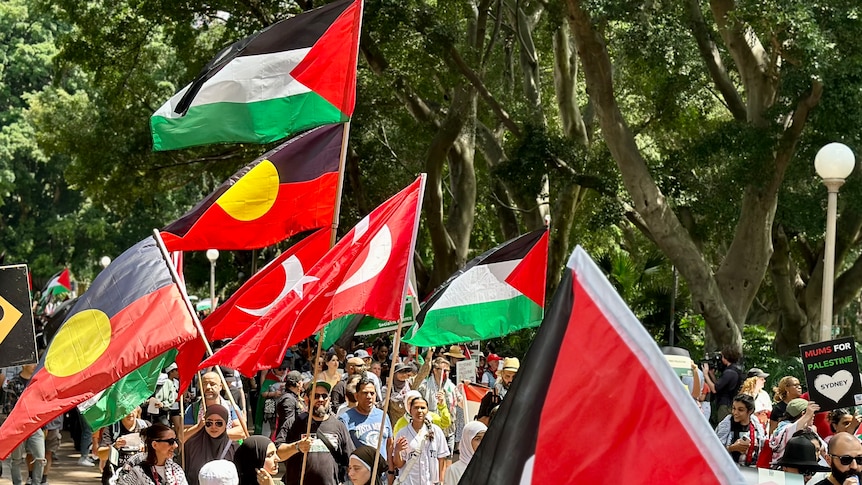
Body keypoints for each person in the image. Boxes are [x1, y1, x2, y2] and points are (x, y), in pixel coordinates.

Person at [275, 381, 354, 485]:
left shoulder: (339, 426)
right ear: (307, 399)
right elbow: (278, 454)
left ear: (329, 399)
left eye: (324, 396)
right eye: (316, 396)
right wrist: (297, 447)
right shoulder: (293, 423)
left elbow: (351, 459)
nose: (320, 400)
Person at [392, 397, 450, 485]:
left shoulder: (436, 431)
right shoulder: (403, 433)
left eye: (423, 408)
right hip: (409, 482)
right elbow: (399, 464)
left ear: (427, 410)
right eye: (416, 407)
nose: (419, 411)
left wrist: (441, 481)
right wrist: (397, 450)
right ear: (410, 410)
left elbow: (441, 459)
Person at [5, 364, 46, 485]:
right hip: (18, 427)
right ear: (23, 365)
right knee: (16, 460)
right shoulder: (13, 383)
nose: (34, 365)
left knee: (40, 459)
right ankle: (17, 483)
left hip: (35, 426)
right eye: (31, 363)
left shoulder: (38, 382)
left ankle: (36, 482)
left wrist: (44, 425)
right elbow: (8, 407)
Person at [339, 375, 394, 460]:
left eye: (372, 393)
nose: (369, 396)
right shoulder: (345, 419)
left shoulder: (383, 416)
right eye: (365, 393)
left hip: (381, 471)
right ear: (356, 396)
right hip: (359, 470)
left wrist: (390, 470)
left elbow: (389, 444)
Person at [116, 423, 187, 485]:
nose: (175, 445)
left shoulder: (176, 470)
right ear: (155, 445)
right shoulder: (137, 471)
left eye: (175, 441)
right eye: (170, 441)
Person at [185, 405, 238, 485]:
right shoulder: (191, 445)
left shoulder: (234, 448)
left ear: (226, 423)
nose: (213, 427)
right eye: (209, 423)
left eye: (219, 423)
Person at [185, 372, 245, 441]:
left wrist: (215, 432)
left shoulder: (231, 407)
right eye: (204, 384)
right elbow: (182, 436)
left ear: (220, 386)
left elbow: (241, 432)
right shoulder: (193, 408)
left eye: (212, 384)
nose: (208, 387)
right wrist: (198, 427)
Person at [98, 407, 150, 485]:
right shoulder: (112, 428)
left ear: (137, 410)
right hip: (115, 475)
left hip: (140, 475)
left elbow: (159, 448)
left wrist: (147, 449)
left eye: (132, 408)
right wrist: (114, 447)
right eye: (126, 409)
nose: (130, 413)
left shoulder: (146, 426)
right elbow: (101, 454)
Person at [714, 394, 764, 466]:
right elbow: (715, 450)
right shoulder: (726, 425)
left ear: (750, 411)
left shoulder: (756, 426)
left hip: (751, 470)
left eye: (740, 410)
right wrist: (732, 448)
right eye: (734, 408)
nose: (735, 413)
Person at [771, 398, 821, 466]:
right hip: (785, 471)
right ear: (803, 414)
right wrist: (807, 416)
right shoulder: (784, 429)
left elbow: (824, 449)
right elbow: (793, 430)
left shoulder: (809, 430)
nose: (814, 415)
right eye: (812, 413)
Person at [443, 421, 486, 485]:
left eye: (485, 438)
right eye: (477, 439)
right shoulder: (454, 471)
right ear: (467, 441)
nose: (483, 443)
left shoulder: (492, 466)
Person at [708, 346, 743, 424]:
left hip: (725, 405)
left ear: (725, 358)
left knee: (723, 426)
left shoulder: (729, 372)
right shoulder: (735, 370)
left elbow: (714, 389)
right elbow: (720, 385)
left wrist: (705, 374)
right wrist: (712, 374)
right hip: (730, 403)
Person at [271, 370, 304, 442]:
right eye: (302, 382)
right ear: (298, 384)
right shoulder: (288, 399)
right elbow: (288, 422)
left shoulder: (294, 397)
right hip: (288, 439)